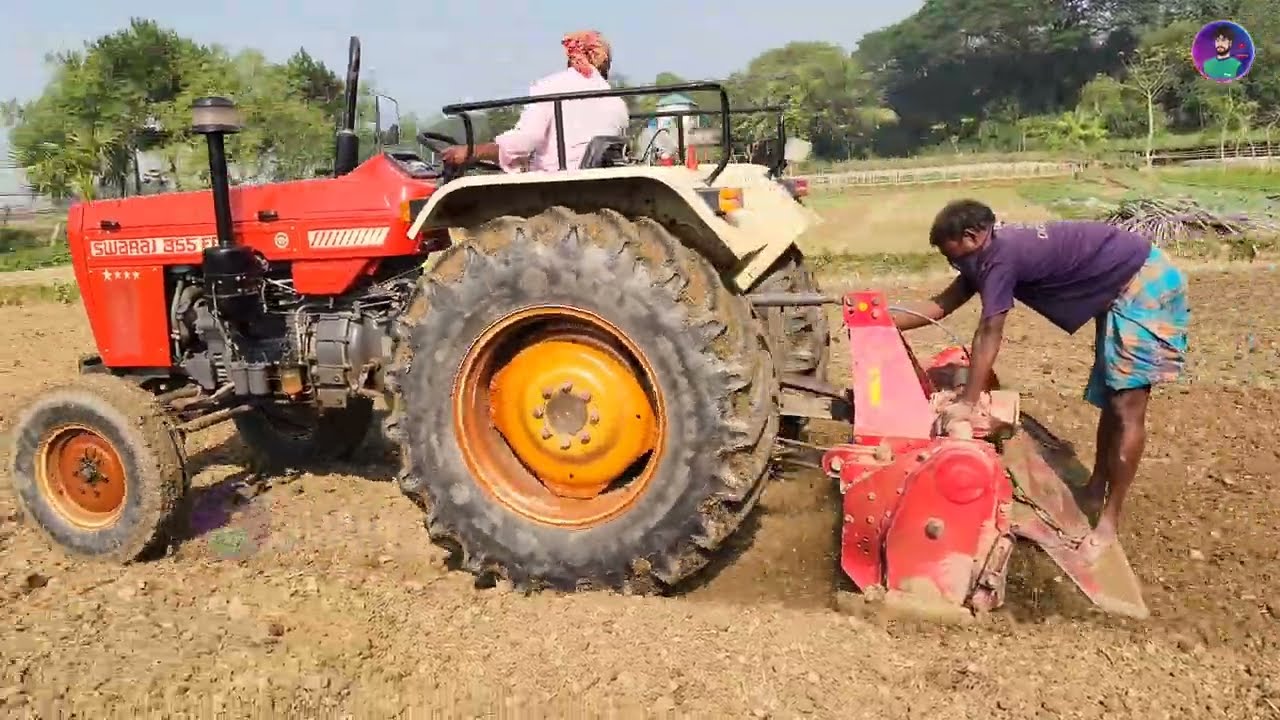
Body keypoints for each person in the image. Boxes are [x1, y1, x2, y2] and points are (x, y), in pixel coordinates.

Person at [892, 199, 1190, 560]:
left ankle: (1109, 521)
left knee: (1127, 405)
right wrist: (873, 318)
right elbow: (941, 304)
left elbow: (989, 330)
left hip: (1142, 282)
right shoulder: (985, 252)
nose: (953, 264)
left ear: (971, 237)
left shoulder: (1000, 257)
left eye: (952, 257)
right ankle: (1095, 488)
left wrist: (967, 403)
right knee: (1112, 391)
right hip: (1118, 279)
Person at [441, 30, 630, 172]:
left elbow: (524, 142)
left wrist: (472, 152)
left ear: (572, 55)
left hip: (554, 183)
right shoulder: (618, 104)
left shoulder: (551, 87)